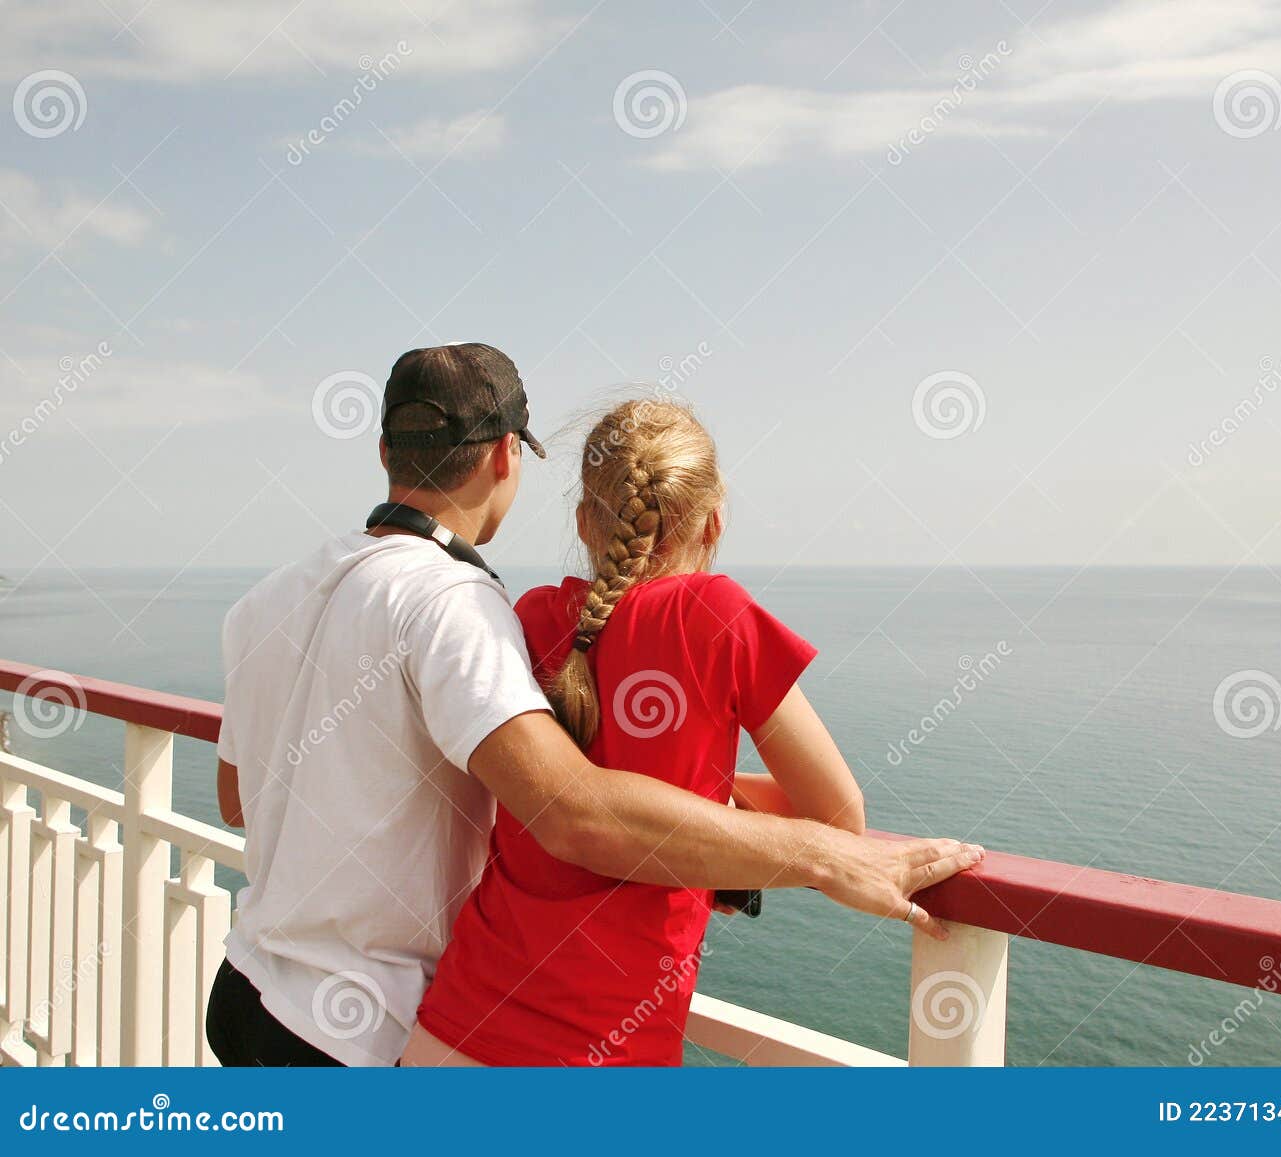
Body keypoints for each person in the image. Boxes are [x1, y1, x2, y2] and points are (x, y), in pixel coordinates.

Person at [205, 344, 983, 1067]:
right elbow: (572, 810)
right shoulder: (460, 602)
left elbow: (238, 799)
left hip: (247, 988)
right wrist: (820, 853)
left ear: (383, 451)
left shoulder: (269, 596)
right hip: (357, 1029)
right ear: (509, 455)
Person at [406, 399, 866, 1066]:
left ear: (585, 522)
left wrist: (692, 793)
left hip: (454, 1029)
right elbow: (840, 818)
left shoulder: (534, 616)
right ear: (713, 521)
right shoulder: (721, 616)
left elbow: (564, 777)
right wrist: (704, 805)